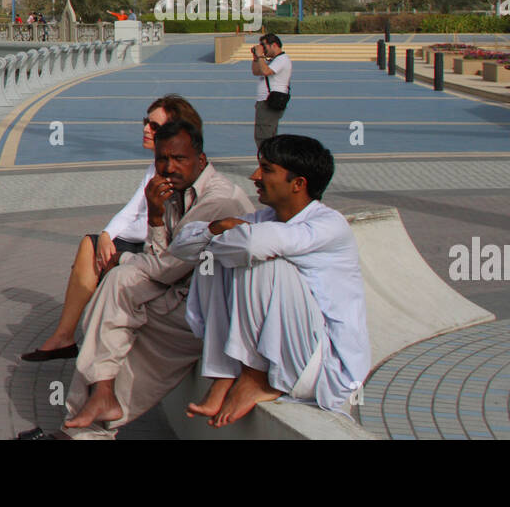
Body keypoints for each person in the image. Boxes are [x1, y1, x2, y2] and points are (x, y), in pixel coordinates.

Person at [57, 120, 254, 438]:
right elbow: (164, 260)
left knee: (118, 287)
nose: (169, 167)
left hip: (206, 316)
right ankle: (94, 409)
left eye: (180, 158)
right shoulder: (175, 191)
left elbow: (166, 268)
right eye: (163, 159)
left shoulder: (218, 199)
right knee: (114, 303)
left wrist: (124, 256)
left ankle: (85, 427)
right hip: (179, 296)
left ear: (200, 160)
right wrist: (157, 216)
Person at [170, 135, 370, 428]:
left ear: (298, 184)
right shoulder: (265, 218)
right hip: (291, 354)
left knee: (258, 260)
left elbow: (252, 247)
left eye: (267, 169)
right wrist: (217, 227)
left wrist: (225, 235)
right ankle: (224, 374)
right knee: (212, 260)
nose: (255, 176)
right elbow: (181, 247)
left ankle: (254, 378)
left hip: (324, 367)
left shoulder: (329, 225)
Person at [20, 95, 203, 362]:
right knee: (92, 244)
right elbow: (132, 209)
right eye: (145, 122)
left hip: (162, 251)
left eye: (154, 126)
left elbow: (154, 222)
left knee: (93, 252)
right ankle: (65, 336)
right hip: (144, 242)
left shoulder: (176, 170)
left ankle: (67, 337)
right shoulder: (155, 165)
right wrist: (107, 235)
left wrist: (112, 239)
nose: (145, 129)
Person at [251, 32, 292, 145]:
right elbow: (256, 72)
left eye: (264, 46)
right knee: (267, 136)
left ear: (273, 45)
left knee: (263, 138)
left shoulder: (282, 59)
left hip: (269, 103)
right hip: (265, 102)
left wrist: (260, 56)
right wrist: (256, 58)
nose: (263, 49)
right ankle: (269, 160)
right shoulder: (273, 60)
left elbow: (266, 71)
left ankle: (267, 161)